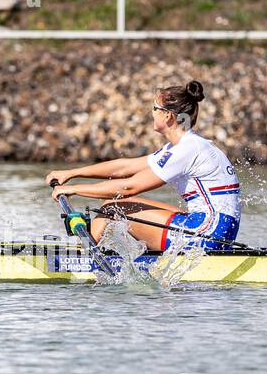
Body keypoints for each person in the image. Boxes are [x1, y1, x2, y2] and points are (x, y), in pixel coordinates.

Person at [45, 80, 241, 251]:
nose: (152, 112)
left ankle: (83, 260)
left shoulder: (187, 150)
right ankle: (96, 251)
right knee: (113, 206)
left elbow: (128, 187)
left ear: (168, 116)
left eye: (155, 108)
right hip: (217, 229)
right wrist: (71, 173)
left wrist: (74, 189)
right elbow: (125, 168)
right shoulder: (186, 146)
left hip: (207, 233)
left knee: (112, 209)